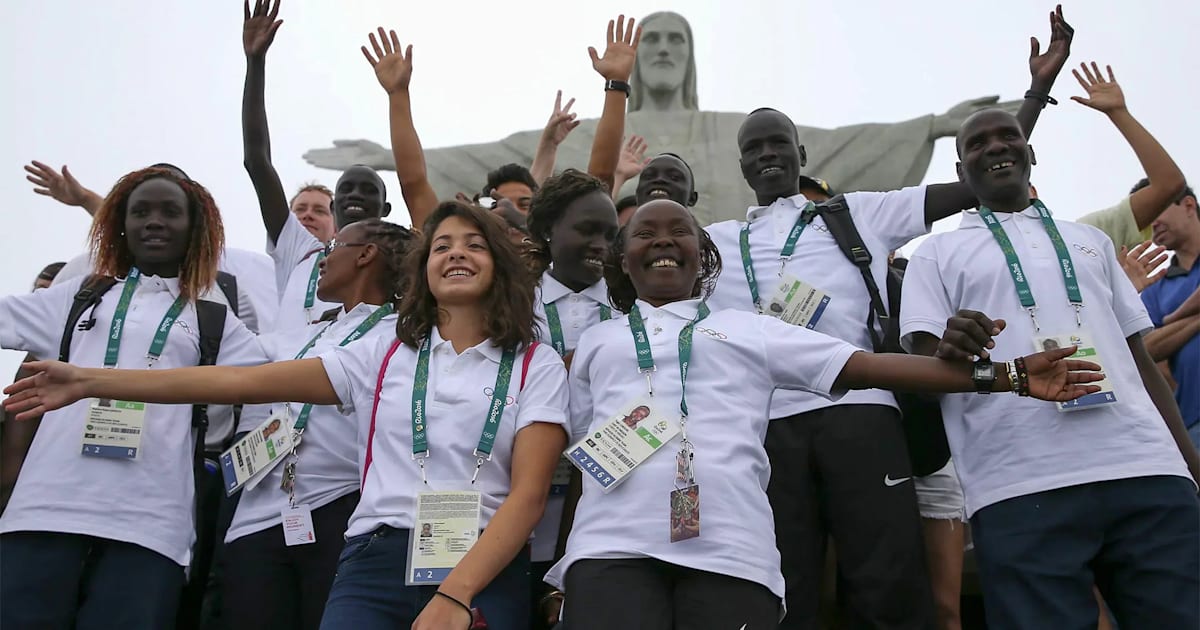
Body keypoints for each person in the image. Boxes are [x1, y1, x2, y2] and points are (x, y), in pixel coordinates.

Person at [5, 201, 570, 630]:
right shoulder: (384, 353)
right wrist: (88, 380)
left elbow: (527, 495)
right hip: (372, 560)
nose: (456, 254)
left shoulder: (536, 364)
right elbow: (239, 380)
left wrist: (455, 593)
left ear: (499, 265)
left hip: (481, 560)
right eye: (442, 245)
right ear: (423, 269)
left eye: (474, 245)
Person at [545, 199, 1105, 630]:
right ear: (622, 257)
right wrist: (561, 570)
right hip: (608, 552)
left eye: (680, 233)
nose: (663, 241)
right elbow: (587, 462)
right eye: (645, 233)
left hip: (732, 555)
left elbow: (872, 368)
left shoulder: (748, 329)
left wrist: (1005, 376)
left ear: (703, 255)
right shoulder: (596, 344)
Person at [699, 9, 1074, 627]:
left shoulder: (859, 214)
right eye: (753, 148)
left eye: (777, 143)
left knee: (887, 578)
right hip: (763, 423)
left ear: (801, 152)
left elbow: (973, 182)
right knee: (783, 582)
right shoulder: (714, 241)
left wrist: (1035, 95)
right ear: (742, 166)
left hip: (863, 412)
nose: (766, 154)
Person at [899, 69, 1200, 628]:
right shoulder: (935, 255)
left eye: (1006, 136)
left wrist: (1189, 463)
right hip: (1018, 484)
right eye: (977, 144)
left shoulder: (1090, 240)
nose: (995, 146)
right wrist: (951, 346)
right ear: (961, 171)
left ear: (1030, 152)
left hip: (1146, 470)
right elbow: (922, 360)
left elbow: (1138, 358)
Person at [0, 166, 266, 629]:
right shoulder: (80, 298)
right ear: (121, 226)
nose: (154, 221)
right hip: (44, 510)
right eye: (139, 212)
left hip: (150, 525)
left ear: (194, 227)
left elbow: (274, 385)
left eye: (170, 212)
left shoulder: (214, 322)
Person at [221, 219, 413, 630]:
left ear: (365, 254)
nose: (323, 259)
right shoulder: (303, 335)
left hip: (340, 512)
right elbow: (226, 371)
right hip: (255, 519)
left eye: (334, 246)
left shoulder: (402, 337)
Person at [364, 15, 638, 234]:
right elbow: (413, 184)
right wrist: (398, 95)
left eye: (524, 205)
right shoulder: (460, 263)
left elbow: (599, 180)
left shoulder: (554, 268)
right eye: (497, 204)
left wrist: (616, 85)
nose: (509, 211)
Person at [241, 0, 391, 334]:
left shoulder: (396, 259)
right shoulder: (301, 251)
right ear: (335, 205)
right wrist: (256, 62)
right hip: (282, 380)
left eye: (369, 190)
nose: (356, 195)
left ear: (386, 208)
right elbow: (257, 160)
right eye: (347, 188)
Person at [524, 168, 621, 628]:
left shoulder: (632, 308)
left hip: (602, 506)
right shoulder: (511, 305)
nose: (601, 243)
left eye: (610, 233)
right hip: (517, 504)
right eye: (587, 229)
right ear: (548, 230)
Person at [1139, 184, 1200, 449]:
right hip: (1193, 422)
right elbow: (1147, 349)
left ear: (1188, 206)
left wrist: (1172, 321)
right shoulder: (1154, 289)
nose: (1152, 224)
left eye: (1156, 211)